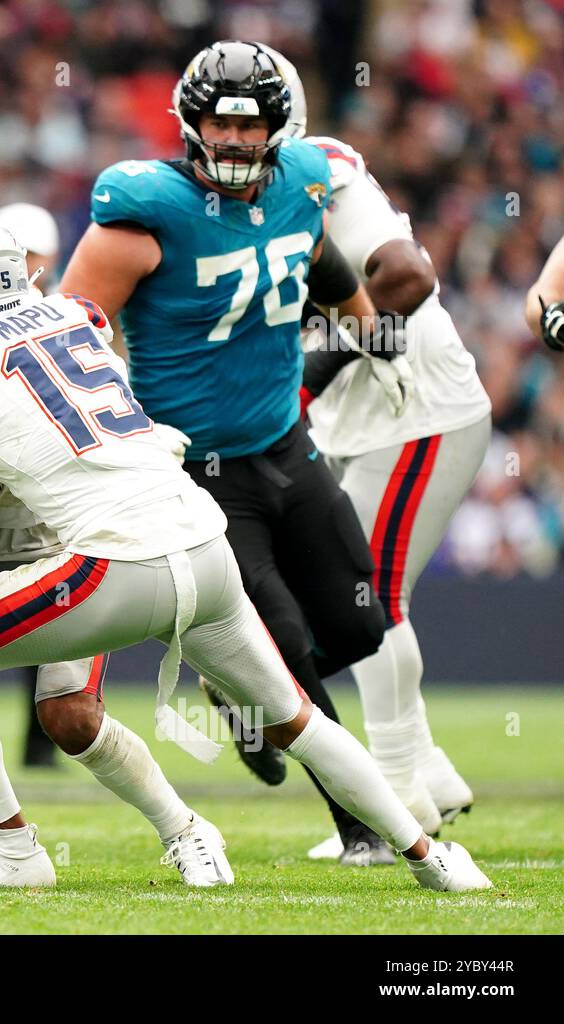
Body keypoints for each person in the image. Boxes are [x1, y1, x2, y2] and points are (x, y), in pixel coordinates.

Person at [0, 212, 493, 894]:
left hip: (111, 564)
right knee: (297, 721)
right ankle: (431, 855)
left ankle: (10, 848)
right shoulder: (78, 317)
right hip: (202, 538)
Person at [58, 40, 404, 865]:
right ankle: (361, 825)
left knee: (360, 627)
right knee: (281, 638)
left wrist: (362, 321)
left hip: (283, 440)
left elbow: (312, 255)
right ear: (191, 122)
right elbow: (62, 344)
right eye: (222, 121)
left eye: (254, 127)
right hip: (194, 470)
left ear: (280, 130)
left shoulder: (304, 183)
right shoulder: (141, 217)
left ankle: (241, 697)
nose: (239, 141)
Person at [269, 56, 492, 843]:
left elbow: (406, 278)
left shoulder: (319, 173)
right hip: (374, 423)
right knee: (366, 597)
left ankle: (397, 787)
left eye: (249, 123)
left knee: (368, 598)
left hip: (416, 410)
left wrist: (310, 375)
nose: (234, 141)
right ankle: (426, 769)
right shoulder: (224, 208)